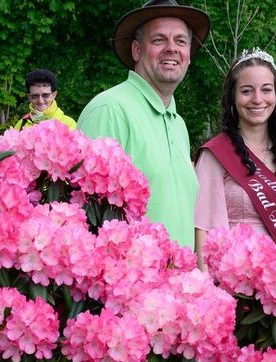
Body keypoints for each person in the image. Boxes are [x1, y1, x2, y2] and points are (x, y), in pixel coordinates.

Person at [77, 0, 210, 249]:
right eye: (159, 40)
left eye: (181, 41)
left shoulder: (178, 124)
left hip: (179, 282)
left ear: (189, 56)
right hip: (129, 283)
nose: (172, 48)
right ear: (136, 50)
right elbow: (86, 217)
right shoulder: (110, 109)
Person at [194, 49, 276, 267]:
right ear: (232, 98)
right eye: (246, 91)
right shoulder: (214, 155)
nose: (257, 99)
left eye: (266, 90)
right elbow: (203, 232)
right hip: (231, 285)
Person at [12, 69, 76, 131]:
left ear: (54, 95)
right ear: (29, 97)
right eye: (35, 96)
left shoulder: (68, 124)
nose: (40, 101)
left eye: (45, 95)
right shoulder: (21, 124)